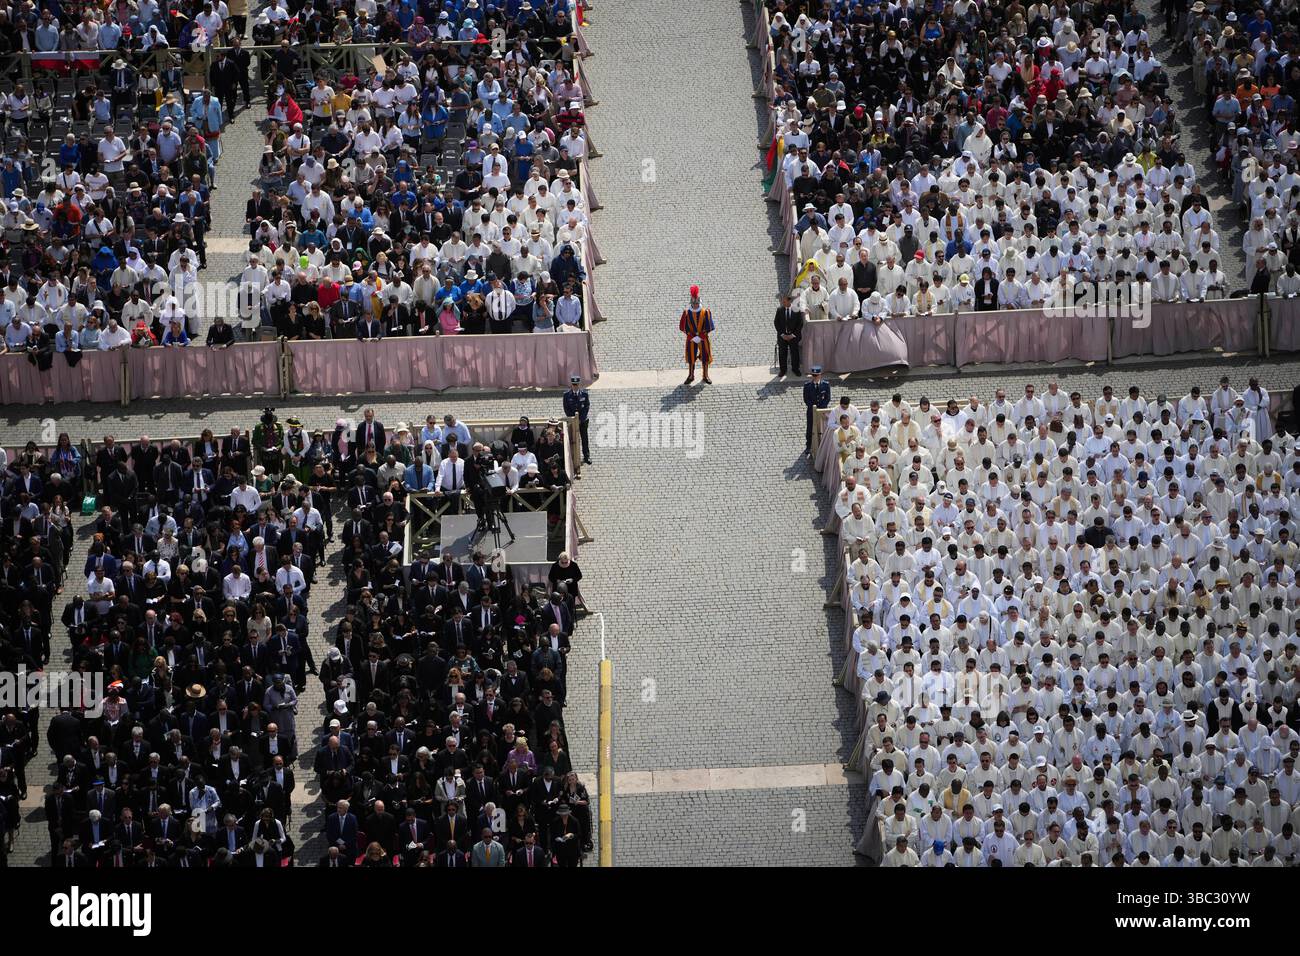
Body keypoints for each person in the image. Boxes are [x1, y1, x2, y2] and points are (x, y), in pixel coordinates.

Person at [679, 285, 714, 385]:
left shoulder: (705, 312)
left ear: (699, 302)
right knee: (691, 357)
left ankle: (705, 375)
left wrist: (701, 337)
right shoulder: (686, 313)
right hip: (691, 339)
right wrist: (693, 337)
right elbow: (683, 327)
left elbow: (709, 327)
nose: (695, 305)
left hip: (703, 338)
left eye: (696, 303)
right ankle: (691, 375)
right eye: (693, 304)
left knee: (705, 356)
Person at [562, 375, 592, 465]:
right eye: (573, 384)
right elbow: (566, 408)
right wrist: (573, 419)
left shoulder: (584, 394)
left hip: (582, 421)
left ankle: (586, 456)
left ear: (579, 384)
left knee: (584, 439)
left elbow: (586, 407)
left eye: (576, 384)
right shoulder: (566, 395)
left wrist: (580, 419)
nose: (575, 386)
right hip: (572, 421)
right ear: (571, 384)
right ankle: (572, 457)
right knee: (573, 439)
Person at [774, 291, 804, 378]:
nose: (782, 303)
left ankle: (795, 369)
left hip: (793, 336)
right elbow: (776, 323)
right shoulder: (779, 310)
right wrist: (782, 334)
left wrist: (793, 335)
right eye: (782, 302)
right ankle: (783, 370)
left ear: (789, 301)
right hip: (783, 336)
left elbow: (800, 324)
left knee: (795, 352)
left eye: (784, 301)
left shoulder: (796, 310)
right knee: (782, 353)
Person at [803, 364, 831, 453]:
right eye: (813, 375)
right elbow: (806, 399)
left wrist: (821, 408)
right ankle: (809, 445)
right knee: (810, 428)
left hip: (822, 411)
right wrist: (813, 408)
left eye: (816, 375)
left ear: (820, 375)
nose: (815, 377)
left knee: (823, 427)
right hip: (811, 411)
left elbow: (827, 398)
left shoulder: (826, 385)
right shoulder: (807, 386)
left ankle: (823, 444)